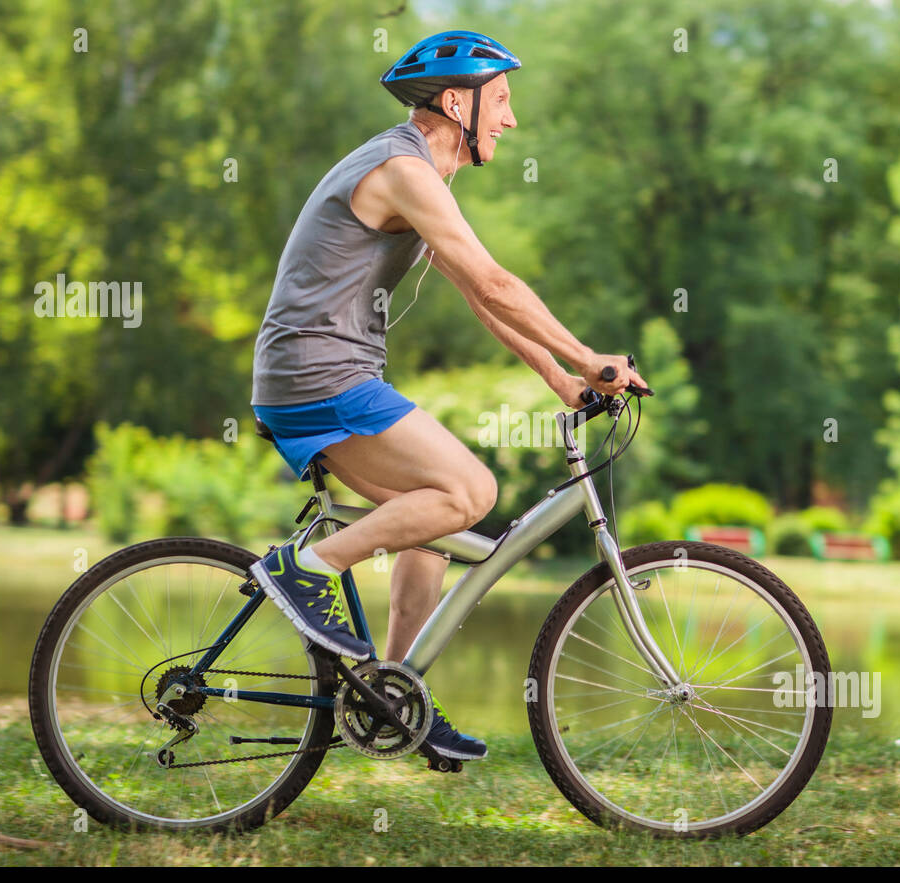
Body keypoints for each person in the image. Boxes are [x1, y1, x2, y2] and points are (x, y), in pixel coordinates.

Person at [248, 30, 648, 763]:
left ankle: (390, 695)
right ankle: (308, 569)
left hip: (320, 374)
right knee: (471, 489)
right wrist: (591, 357)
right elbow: (496, 281)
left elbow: (476, 293)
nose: (511, 119)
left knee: (430, 516)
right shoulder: (403, 169)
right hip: (320, 374)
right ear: (456, 102)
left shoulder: (427, 172)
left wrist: (561, 379)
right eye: (501, 101)